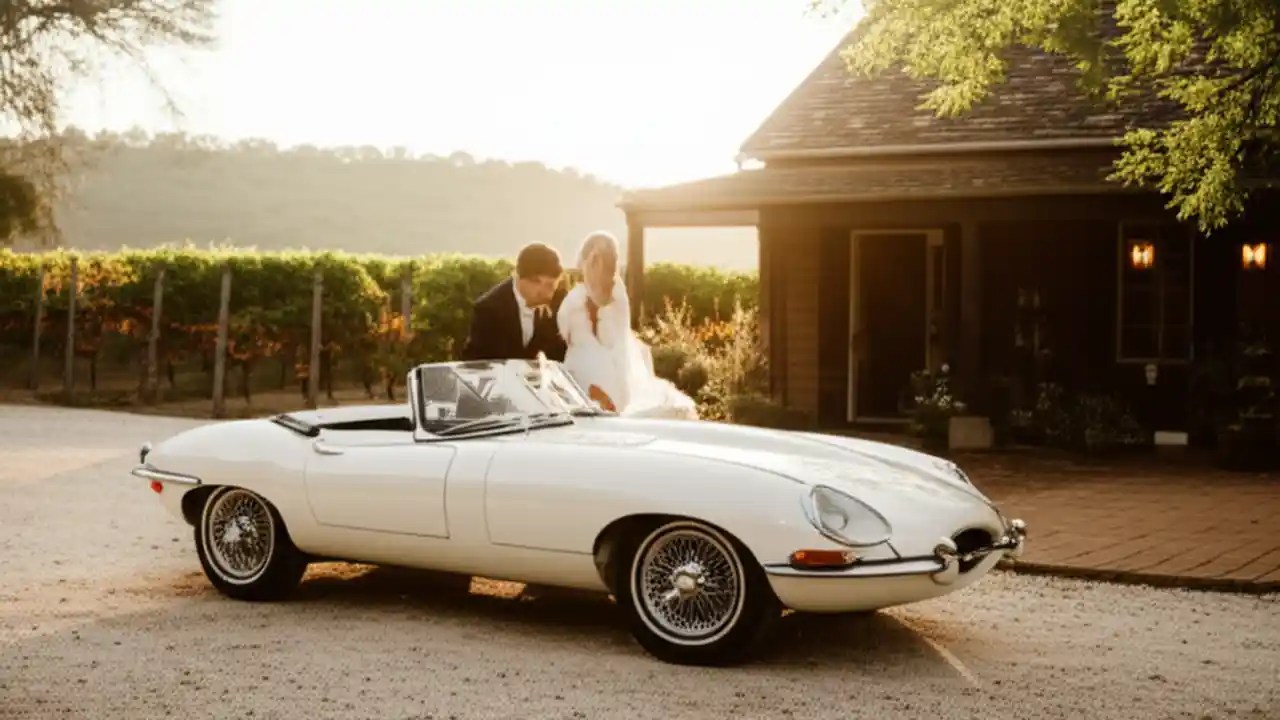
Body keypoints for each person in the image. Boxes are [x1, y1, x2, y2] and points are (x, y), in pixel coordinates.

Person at [557, 231, 697, 419]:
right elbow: (613, 333)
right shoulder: (616, 291)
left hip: (582, 366)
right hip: (614, 365)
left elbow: (564, 331)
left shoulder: (575, 298)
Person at [461, 242, 568, 362]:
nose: (546, 293)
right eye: (536, 282)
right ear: (518, 276)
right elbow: (477, 362)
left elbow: (560, 353)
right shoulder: (489, 309)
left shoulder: (559, 301)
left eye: (550, 285)